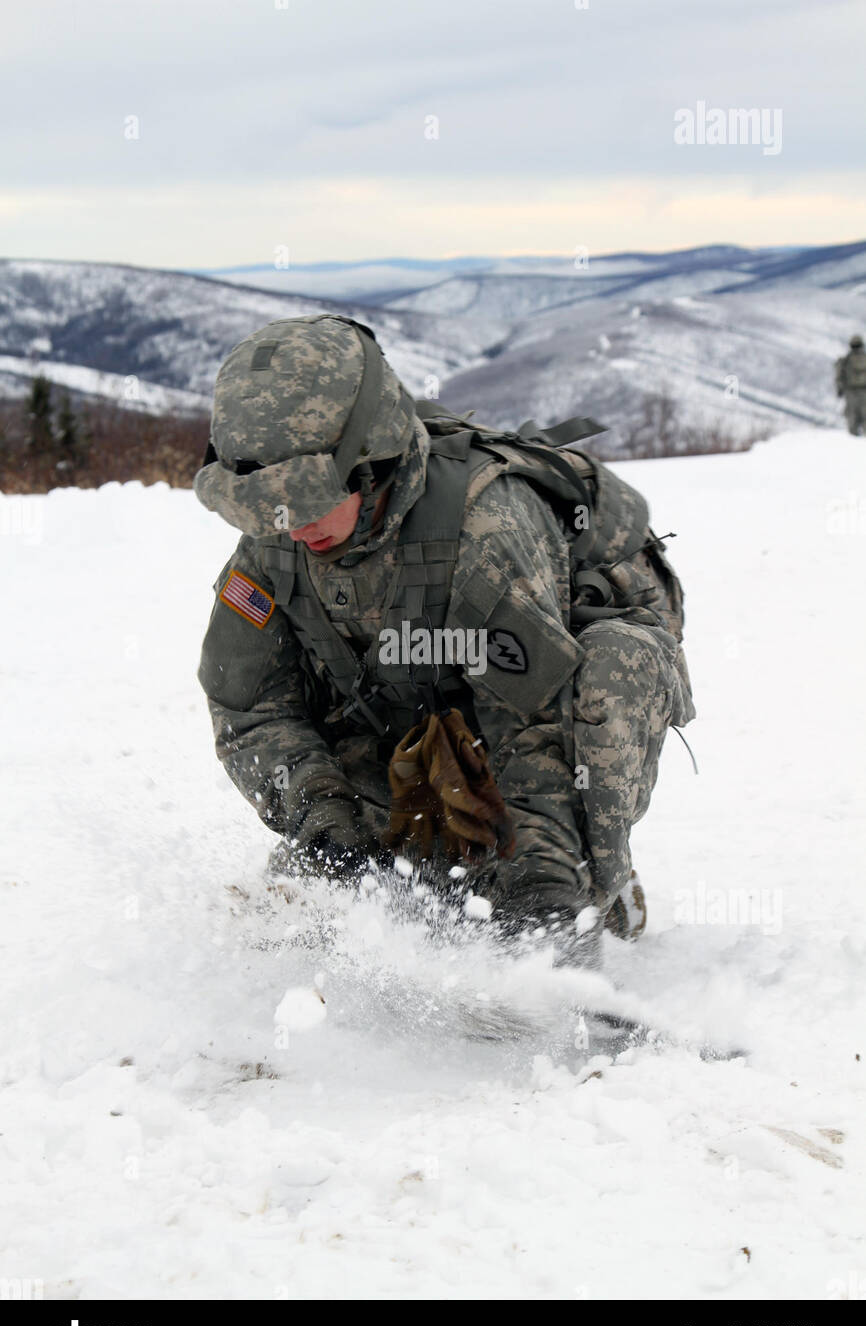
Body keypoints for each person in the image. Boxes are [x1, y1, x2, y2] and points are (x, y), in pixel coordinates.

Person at [194, 314, 695, 968]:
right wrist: (325, 822)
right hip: (408, 720)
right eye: (264, 507)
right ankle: (433, 854)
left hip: (537, 716)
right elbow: (251, 709)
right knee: (314, 915)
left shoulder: (485, 526)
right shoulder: (277, 540)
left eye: (309, 499)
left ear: (369, 462)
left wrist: (541, 888)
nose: (290, 525)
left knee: (610, 681)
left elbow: (535, 724)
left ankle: (592, 880)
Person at [835, 334, 866, 435]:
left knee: (852, 415)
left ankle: (853, 439)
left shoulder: (846, 360)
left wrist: (840, 389)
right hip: (863, 391)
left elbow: (839, 376)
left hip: (851, 392)